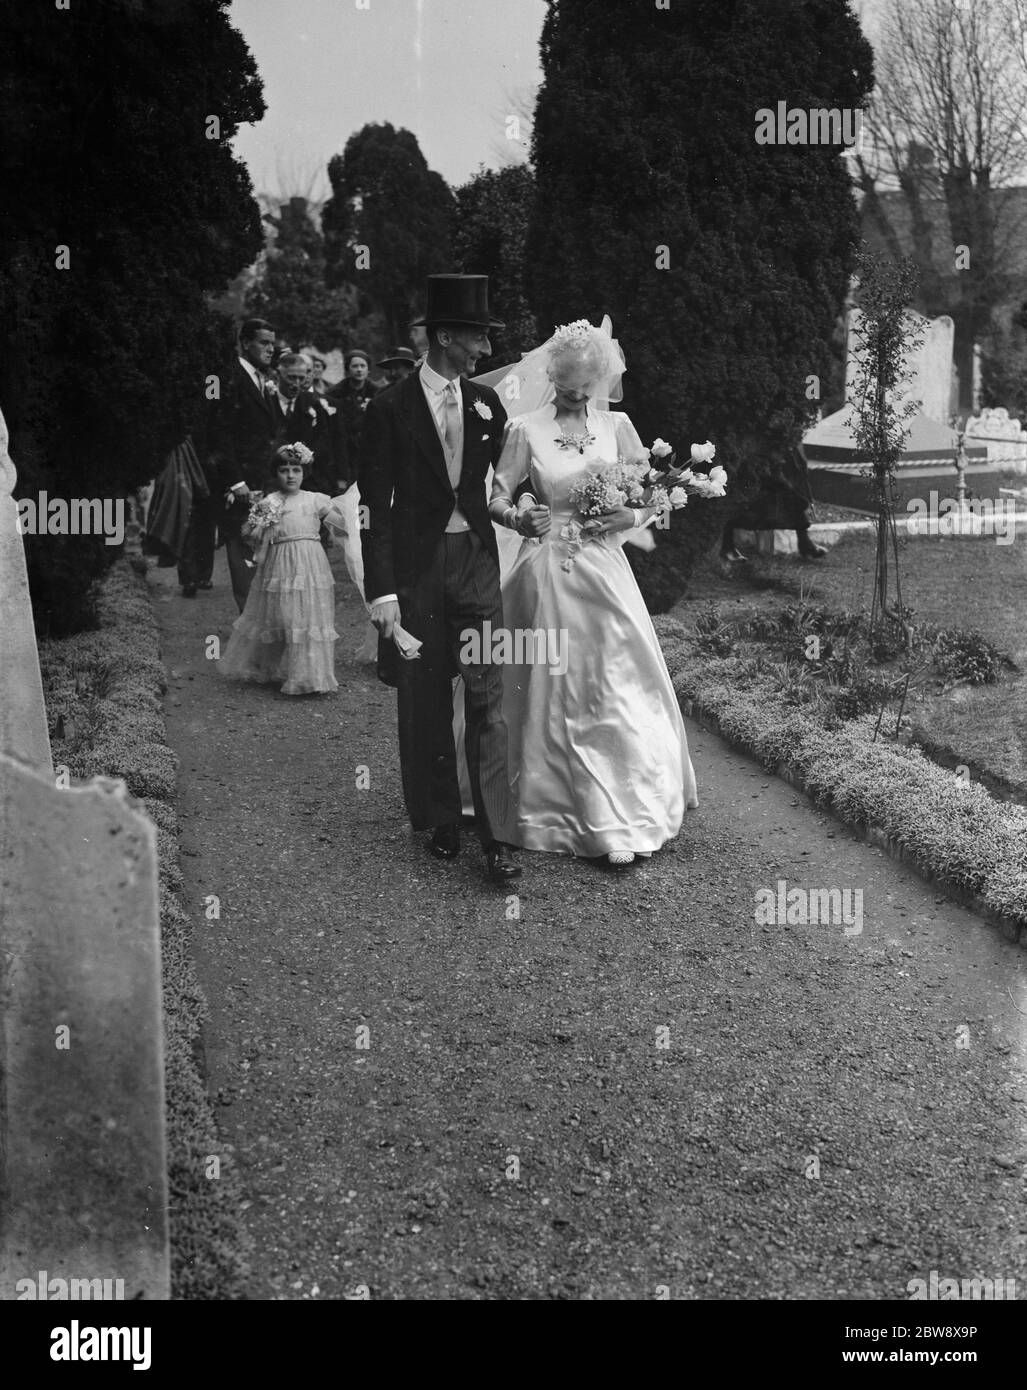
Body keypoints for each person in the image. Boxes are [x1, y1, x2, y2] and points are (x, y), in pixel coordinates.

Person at [487, 319, 699, 867]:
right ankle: (544, 804)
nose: (575, 396)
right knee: (549, 683)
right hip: (546, 571)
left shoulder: (618, 425)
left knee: (614, 679)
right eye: (564, 386)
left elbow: (653, 495)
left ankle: (625, 808)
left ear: (599, 380)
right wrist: (517, 517)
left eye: (584, 387)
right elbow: (497, 495)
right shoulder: (525, 428)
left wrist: (633, 512)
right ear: (550, 378)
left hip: (605, 568)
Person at [358, 273, 521, 886]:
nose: (484, 350)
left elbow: (502, 485)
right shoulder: (387, 410)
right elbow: (372, 506)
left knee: (488, 698)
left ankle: (497, 837)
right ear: (446, 336)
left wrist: (522, 508)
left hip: (477, 565)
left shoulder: (487, 404)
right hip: (418, 571)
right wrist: (383, 591)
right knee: (424, 697)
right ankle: (441, 817)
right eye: (477, 337)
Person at [219, 443, 353, 695]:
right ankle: (268, 667)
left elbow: (341, 526)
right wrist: (259, 526)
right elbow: (251, 536)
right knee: (281, 615)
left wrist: (350, 521)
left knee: (307, 616)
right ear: (275, 473)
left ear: (305, 473)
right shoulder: (270, 501)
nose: (290, 476)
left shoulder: (315, 500)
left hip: (310, 562)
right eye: (284, 470)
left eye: (296, 470)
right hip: (280, 562)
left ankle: (308, 676)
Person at [207, 317, 280, 611]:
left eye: (273, 343)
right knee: (242, 548)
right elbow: (219, 433)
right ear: (245, 343)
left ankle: (259, 616)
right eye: (264, 342)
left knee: (261, 546)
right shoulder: (231, 376)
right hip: (241, 484)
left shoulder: (262, 378)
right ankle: (248, 620)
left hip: (262, 478)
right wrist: (236, 481)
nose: (270, 349)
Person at [721, 445, 827, 562]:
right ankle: (727, 546)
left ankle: (805, 543)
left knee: (791, 494)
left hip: (775, 448)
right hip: (751, 447)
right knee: (741, 498)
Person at [328, 349, 379, 460]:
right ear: (347, 369)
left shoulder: (377, 392)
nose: (359, 370)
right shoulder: (335, 393)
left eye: (363, 366)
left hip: (369, 445)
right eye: (355, 366)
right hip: (343, 446)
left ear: (368, 370)